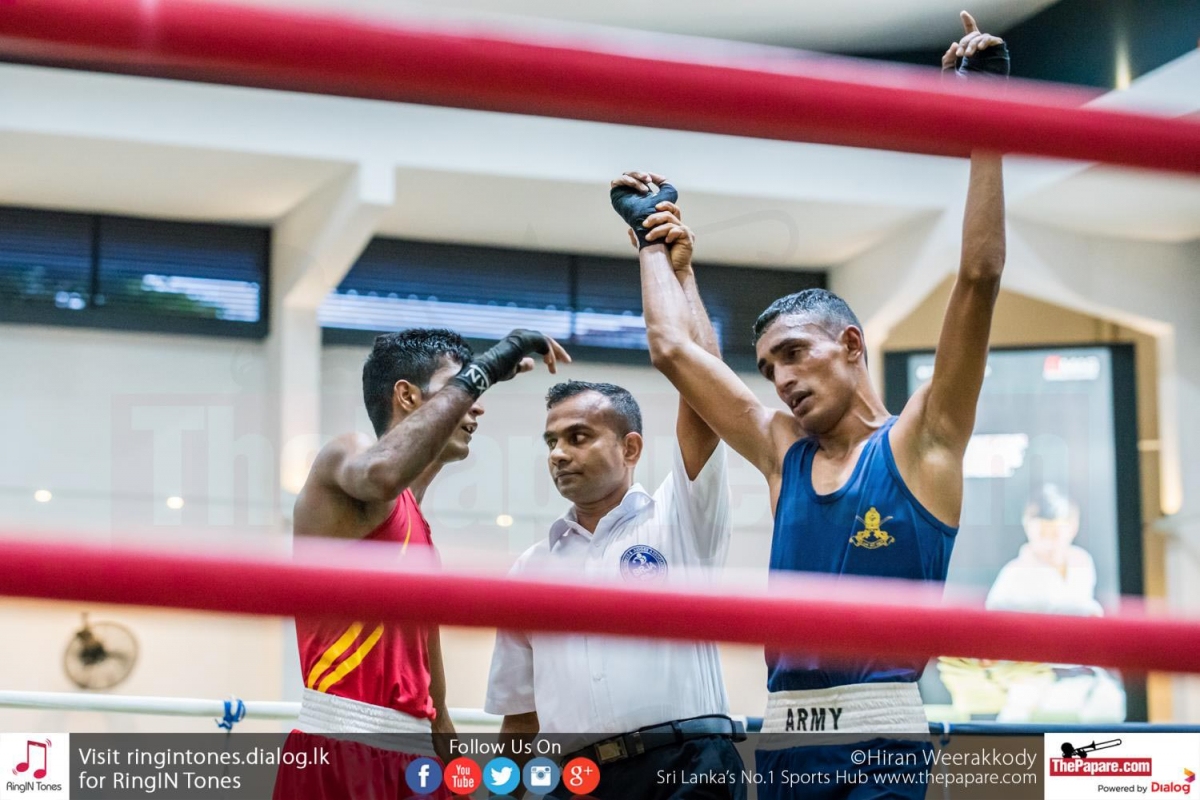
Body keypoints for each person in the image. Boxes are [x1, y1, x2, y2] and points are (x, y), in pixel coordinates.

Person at [611, 13, 1010, 796]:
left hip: (883, 733)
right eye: (767, 366)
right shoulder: (781, 450)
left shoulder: (924, 441)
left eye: (795, 353)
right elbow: (675, 354)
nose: (781, 378)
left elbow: (980, 276)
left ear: (852, 346)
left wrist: (987, 123)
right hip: (787, 730)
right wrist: (657, 247)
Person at [273, 327, 569, 800]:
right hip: (342, 748)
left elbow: (433, 699)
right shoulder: (343, 458)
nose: (476, 403)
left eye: (475, 389)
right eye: (460, 386)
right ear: (407, 396)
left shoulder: (420, 530)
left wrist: (461, 776)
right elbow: (383, 472)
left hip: (415, 762)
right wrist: (488, 367)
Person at [484, 336, 747, 796]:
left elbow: (707, 388)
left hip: (688, 767)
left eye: (578, 437)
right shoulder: (529, 571)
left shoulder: (679, 516)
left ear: (630, 448)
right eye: (551, 441)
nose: (558, 454)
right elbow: (522, 717)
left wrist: (677, 277)